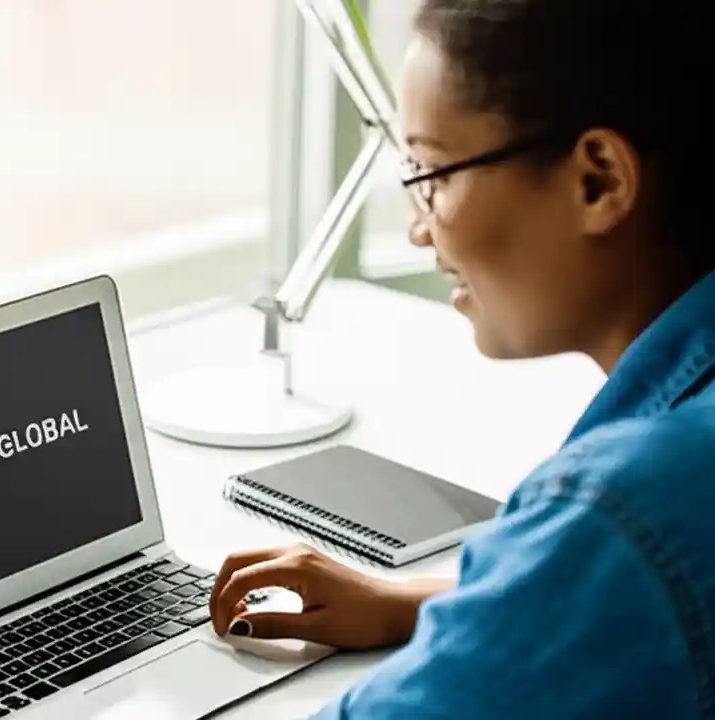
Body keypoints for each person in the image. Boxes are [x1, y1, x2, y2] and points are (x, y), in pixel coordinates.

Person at [207, 0, 715, 717]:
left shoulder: (623, 512)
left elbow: (627, 557)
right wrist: (430, 602)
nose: (419, 229)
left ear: (598, 180)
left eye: (433, 172)